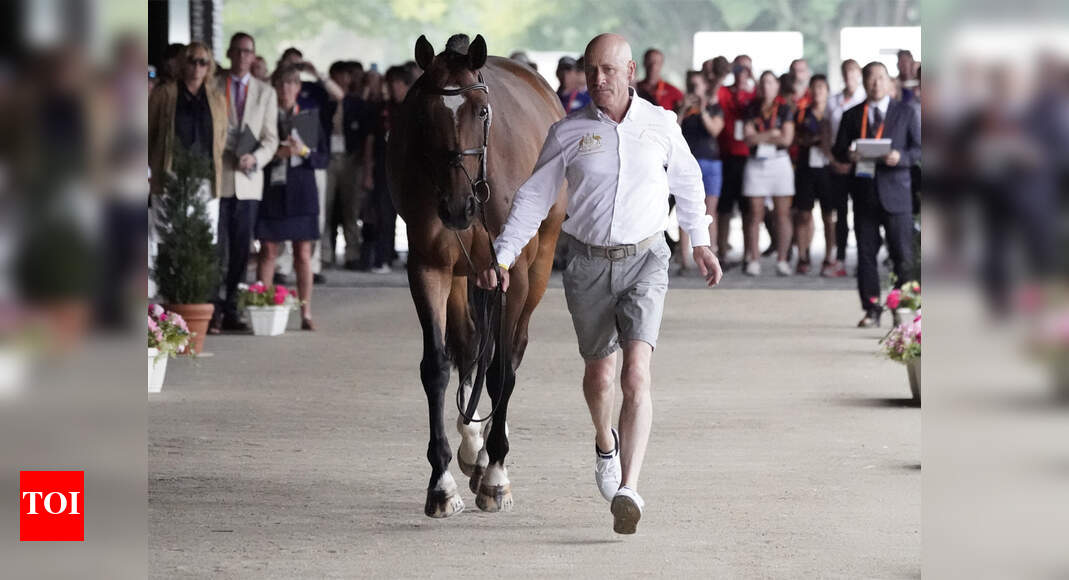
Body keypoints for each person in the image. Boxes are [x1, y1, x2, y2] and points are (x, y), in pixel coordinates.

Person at [476, 33, 722, 535]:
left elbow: (689, 182)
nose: (598, 79)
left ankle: (629, 488)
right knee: (600, 378)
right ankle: (604, 443)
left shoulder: (660, 124)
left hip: (647, 259)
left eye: (608, 70)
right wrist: (502, 257)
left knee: (635, 374)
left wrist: (699, 241)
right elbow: (532, 199)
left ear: (631, 71)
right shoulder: (567, 132)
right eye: (591, 70)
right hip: (587, 265)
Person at [833, 62, 921, 327]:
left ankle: (904, 308)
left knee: (902, 254)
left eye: (881, 78)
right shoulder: (851, 115)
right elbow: (838, 149)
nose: (876, 83)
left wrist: (901, 157)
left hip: (897, 193)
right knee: (866, 255)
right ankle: (871, 308)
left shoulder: (905, 112)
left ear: (889, 82)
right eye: (870, 78)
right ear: (863, 81)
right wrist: (849, 154)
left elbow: (919, 149)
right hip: (864, 193)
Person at [210, 32, 279, 333]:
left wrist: (257, 158)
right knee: (216, 248)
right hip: (217, 178)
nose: (241, 56)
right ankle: (211, 309)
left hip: (248, 182)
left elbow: (271, 138)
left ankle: (232, 311)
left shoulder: (266, 92)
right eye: (236, 50)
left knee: (240, 250)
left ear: (253, 56)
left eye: (247, 51)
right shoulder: (212, 86)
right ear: (228, 53)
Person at [255, 65, 328, 330]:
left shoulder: (308, 117)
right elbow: (250, 150)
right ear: (273, 87)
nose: (286, 89)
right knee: (268, 250)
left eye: (291, 84)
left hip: (302, 192)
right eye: (281, 84)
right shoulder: (264, 115)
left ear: (299, 88)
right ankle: (261, 305)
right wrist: (275, 154)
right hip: (272, 190)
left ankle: (305, 312)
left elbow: (322, 158)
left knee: (303, 253)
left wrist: (303, 151)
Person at [148, 42, 227, 201]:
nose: (197, 66)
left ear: (209, 66)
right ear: (183, 62)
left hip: (205, 175)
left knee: (204, 224)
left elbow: (222, 135)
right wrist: (156, 162)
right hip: (170, 171)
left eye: (203, 62)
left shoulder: (217, 98)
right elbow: (149, 131)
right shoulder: (164, 93)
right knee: (167, 224)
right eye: (192, 61)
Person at [741, 70, 795, 276]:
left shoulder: (784, 108)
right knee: (755, 213)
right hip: (756, 163)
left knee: (782, 214)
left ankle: (782, 259)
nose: (766, 87)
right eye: (763, 83)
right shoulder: (751, 107)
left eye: (771, 82)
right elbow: (748, 139)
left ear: (777, 86)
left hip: (779, 163)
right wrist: (772, 133)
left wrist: (760, 136)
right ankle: (753, 258)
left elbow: (786, 139)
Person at [361, 65, 413, 273]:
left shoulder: (416, 108)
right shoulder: (381, 109)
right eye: (390, 84)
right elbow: (370, 141)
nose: (393, 89)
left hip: (411, 171)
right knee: (383, 214)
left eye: (398, 84)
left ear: (407, 86)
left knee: (415, 217)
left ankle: (415, 258)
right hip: (384, 169)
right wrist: (367, 172)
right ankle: (383, 258)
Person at [677, 70, 725, 266]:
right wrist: (682, 110)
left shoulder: (714, 108)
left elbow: (715, 130)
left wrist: (703, 108)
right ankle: (684, 258)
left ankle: (711, 251)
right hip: (688, 163)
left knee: (710, 211)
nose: (694, 89)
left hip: (710, 162)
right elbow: (672, 131)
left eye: (697, 85)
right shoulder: (682, 107)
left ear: (705, 86)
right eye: (691, 85)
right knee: (685, 209)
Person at [792, 74, 836, 275]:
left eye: (822, 87)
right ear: (810, 91)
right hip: (806, 168)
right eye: (815, 87)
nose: (818, 91)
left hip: (828, 168)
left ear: (827, 90)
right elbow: (795, 137)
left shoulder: (834, 113)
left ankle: (829, 257)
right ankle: (802, 255)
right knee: (803, 214)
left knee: (829, 215)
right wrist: (812, 139)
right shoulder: (802, 113)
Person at [825, 59, 866, 277]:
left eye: (853, 73)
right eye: (846, 73)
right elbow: (826, 135)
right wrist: (834, 160)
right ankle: (839, 257)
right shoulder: (833, 101)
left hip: (860, 165)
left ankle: (863, 258)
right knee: (839, 214)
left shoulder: (865, 100)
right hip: (838, 163)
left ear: (859, 75)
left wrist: (853, 161)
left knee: (861, 213)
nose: (849, 78)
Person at [715, 60, 756, 262]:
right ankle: (722, 250)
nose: (742, 73)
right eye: (738, 68)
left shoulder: (753, 94)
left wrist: (752, 80)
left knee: (748, 208)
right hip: (726, 155)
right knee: (724, 207)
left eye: (746, 69)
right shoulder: (724, 92)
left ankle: (749, 253)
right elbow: (714, 94)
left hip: (749, 157)